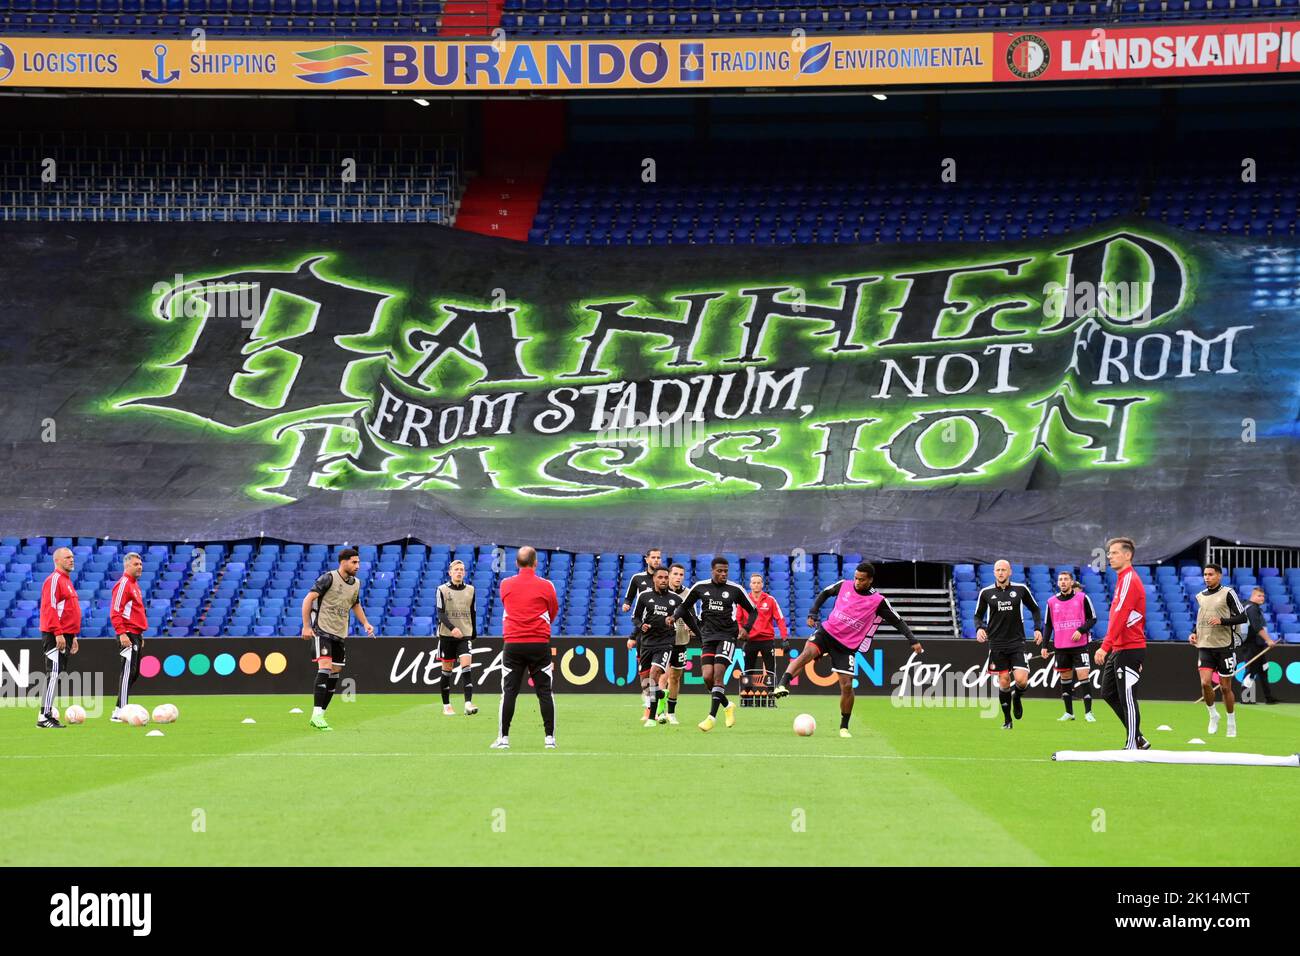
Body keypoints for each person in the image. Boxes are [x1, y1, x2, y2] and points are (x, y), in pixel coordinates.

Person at [773, 562, 923, 738]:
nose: (857, 582)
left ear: (870, 580)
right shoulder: (844, 585)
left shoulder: (878, 601)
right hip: (827, 633)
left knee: (847, 685)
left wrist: (912, 640)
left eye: (862, 579)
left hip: (846, 646)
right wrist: (813, 613)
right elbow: (825, 593)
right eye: (856, 578)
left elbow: (897, 621)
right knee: (807, 654)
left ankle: (844, 727)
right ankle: (782, 684)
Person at [678, 557, 756, 732]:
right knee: (707, 677)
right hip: (708, 637)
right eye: (720, 571)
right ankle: (727, 705)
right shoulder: (700, 587)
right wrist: (673, 617)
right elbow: (684, 607)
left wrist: (746, 628)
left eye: (726, 571)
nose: (723, 574)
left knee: (718, 675)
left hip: (728, 636)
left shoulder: (735, 589)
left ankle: (711, 718)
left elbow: (753, 611)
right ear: (712, 571)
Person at [492, 546, 559, 750]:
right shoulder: (547, 585)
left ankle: (503, 738)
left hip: (513, 643)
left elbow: (509, 604)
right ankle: (549, 738)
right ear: (536, 563)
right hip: (539, 643)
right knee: (545, 692)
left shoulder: (505, 584)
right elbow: (553, 611)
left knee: (509, 692)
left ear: (516, 563)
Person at [301, 548, 375, 731]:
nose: (358, 566)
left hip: (340, 634)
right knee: (325, 667)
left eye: (358, 562)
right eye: (354, 562)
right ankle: (316, 715)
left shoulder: (356, 583)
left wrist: (365, 623)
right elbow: (308, 599)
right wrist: (306, 626)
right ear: (343, 562)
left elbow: (355, 604)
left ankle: (321, 715)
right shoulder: (328, 578)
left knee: (335, 672)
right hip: (322, 630)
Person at [972, 560, 1043, 730]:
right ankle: (1007, 720)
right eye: (998, 570)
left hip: (1017, 642)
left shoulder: (1020, 589)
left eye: (1004, 570)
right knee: (1004, 682)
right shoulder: (986, 592)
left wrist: (1038, 628)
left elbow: (1035, 609)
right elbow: (977, 616)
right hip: (996, 644)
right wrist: (979, 628)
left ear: (1010, 571)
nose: (1001, 573)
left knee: (1021, 680)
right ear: (994, 572)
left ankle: (1017, 697)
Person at [1094, 537, 1149, 750]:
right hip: (1120, 647)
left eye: (1114, 552)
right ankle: (1139, 737)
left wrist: (1104, 646)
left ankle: (1132, 744)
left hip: (1128, 648)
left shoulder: (1129, 579)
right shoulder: (1122, 579)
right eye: (1109, 552)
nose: (1109, 556)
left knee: (1127, 697)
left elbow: (1121, 615)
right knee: (1108, 693)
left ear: (1128, 555)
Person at [1189, 564, 1249, 738]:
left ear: (1219, 576)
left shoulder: (1228, 593)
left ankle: (1231, 721)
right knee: (1205, 683)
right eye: (1205, 574)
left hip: (1224, 646)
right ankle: (1213, 714)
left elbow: (1242, 617)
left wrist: (1222, 621)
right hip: (1205, 645)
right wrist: (1194, 633)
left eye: (1211, 574)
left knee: (1225, 688)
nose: (1207, 577)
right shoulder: (1200, 596)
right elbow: (1202, 617)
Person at [628, 568, 684, 728]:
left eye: (666, 577)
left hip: (665, 643)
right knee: (646, 684)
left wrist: (699, 635)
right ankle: (661, 694)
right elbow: (635, 617)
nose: (664, 580)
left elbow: (686, 615)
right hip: (646, 643)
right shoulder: (644, 596)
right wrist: (640, 625)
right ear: (654, 579)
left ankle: (652, 717)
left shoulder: (675, 599)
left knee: (654, 674)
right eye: (660, 577)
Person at [1041, 570, 1097, 722]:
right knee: (1065, 678)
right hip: (1061, 647)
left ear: (1072, 582)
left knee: (1083, 676)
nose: (1063, 582)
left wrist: (1081, 630)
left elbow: (1093, 619)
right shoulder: (1051, 602)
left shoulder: (1082, 598)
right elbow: (1048, 625)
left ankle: (1088, 712)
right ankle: (1069, 712)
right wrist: (1044, 646)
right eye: (1060, 580)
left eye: (1066, 579)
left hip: (1080, 646)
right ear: (1058, 583)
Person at [37, 547, 81, 729]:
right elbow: (50, 608)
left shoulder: (67, 581)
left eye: (72, 557)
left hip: (66, 633)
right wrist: (58, 632)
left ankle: (46, 713)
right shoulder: (54, 580)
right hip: (56, 634)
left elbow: (68, 611)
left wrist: (73, 635)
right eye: (67, 557)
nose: (72, 560)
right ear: (57, 560)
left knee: (57, 674)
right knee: (53, 673)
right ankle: (44, 716)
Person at [622, 549, 663, 719]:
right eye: (653, 557)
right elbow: (628, 598)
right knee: (645, 674)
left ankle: (660, 708)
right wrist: (626, 605)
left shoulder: (663, 579)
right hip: (643, 633)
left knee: (660, 672)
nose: (656, 560)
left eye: (658, 557)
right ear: (646, 559)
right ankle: (649, 706)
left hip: (663, 634)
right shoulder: (638, 579)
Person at [436, 559, 478, 716]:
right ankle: (446, 705)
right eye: (456, 569)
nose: (459, 572)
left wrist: (473, 632)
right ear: (450, 572)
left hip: (464, 635)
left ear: (465, 573)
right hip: (447, 636)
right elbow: (440, 613)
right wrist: (452, 628)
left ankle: (468, 703)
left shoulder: (471, 590)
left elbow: (473, 611)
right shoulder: (441, 590)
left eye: (462, 569)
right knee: (447, 671)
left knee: (467, 666)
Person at [109, 552, 148, 722]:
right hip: (127, 633)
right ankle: (120, 710)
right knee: (127, 672)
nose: (139, 566)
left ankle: (120, 707)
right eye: (136, 564)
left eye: (140, 564)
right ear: (126, 566)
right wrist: (122, 632)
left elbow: (136, 612)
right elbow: (115, 611)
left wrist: (141, 634)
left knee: (134, 672)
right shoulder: (124, 584)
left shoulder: (135, 585)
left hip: (136, 634)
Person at [735, 572, 788, 683]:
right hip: (750, 640)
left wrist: (784, 638)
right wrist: (741, 631)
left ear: (762, 584)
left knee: (770, 671)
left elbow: (780, 619)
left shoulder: (770, 600)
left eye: (759, 583)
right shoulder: (743, 601)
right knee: (748, 671)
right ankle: (746, 696)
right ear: (750, 585)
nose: (756, 585)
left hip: (767, 640)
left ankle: (771, 695)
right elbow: (738, 619)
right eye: (754, 583)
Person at [660, 562, 692, 724]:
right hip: (663, 640)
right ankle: (659, 711)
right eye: (675, 574)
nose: (678, 577)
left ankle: (671, 713)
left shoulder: (688, 594)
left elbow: (693, 615)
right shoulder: (662, 593)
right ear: (669, 575)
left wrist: (692, 626)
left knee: (675, 677)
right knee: (663, 675)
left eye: (681, 574)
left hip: (681, 640)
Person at [1240, 586, 1278, 705]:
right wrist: (1268, 640)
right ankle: (1245, 698)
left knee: (1263, 669)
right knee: (1251, 670)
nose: (1262, 598)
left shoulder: (1253, 607)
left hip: (1258, 644)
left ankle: (1269, 698)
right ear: (1253, 596)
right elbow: (1257, 627)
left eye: (1263, 596)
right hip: (1252, 645)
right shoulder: (1252, 609)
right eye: (1259, 596)